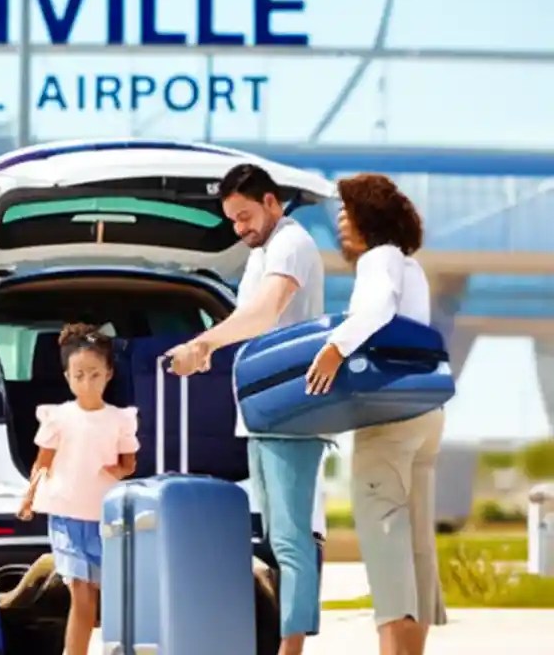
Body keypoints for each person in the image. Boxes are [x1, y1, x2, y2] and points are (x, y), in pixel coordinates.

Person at [164, 162, 327, 655]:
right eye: (232, 220)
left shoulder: (292, 245)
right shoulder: (264, 252)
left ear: (272, 203)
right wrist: (208, 349)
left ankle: (291, 649)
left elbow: (264, 313)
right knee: (278, 539)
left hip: (290, 406)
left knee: (294, 540)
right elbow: (244, 321)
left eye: (246, 216)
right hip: (262, 406)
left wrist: (200, 342)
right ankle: (284, 642)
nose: (240, 228)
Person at [303, 173, 446, 655]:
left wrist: (333, 349)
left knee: (386, 541)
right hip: (425, 412)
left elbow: (377, 309)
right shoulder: (411, 265)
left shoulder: (378, 260)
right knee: (416, 544)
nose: (341, 221)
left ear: (371, 217)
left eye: (348, 212)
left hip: (388, 417)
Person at [17, 323, 139, 655]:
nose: (87, 382)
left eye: (95, 374)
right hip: (67, 516)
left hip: (106, 519)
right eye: (79, 375)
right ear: (68, 377)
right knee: (82, 594)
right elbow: (43, 463)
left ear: (109, 374)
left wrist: (119, 469)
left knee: (112, 595)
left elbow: (130, 463)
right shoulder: (57, 417)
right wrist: (29, 497)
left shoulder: (120, 419)